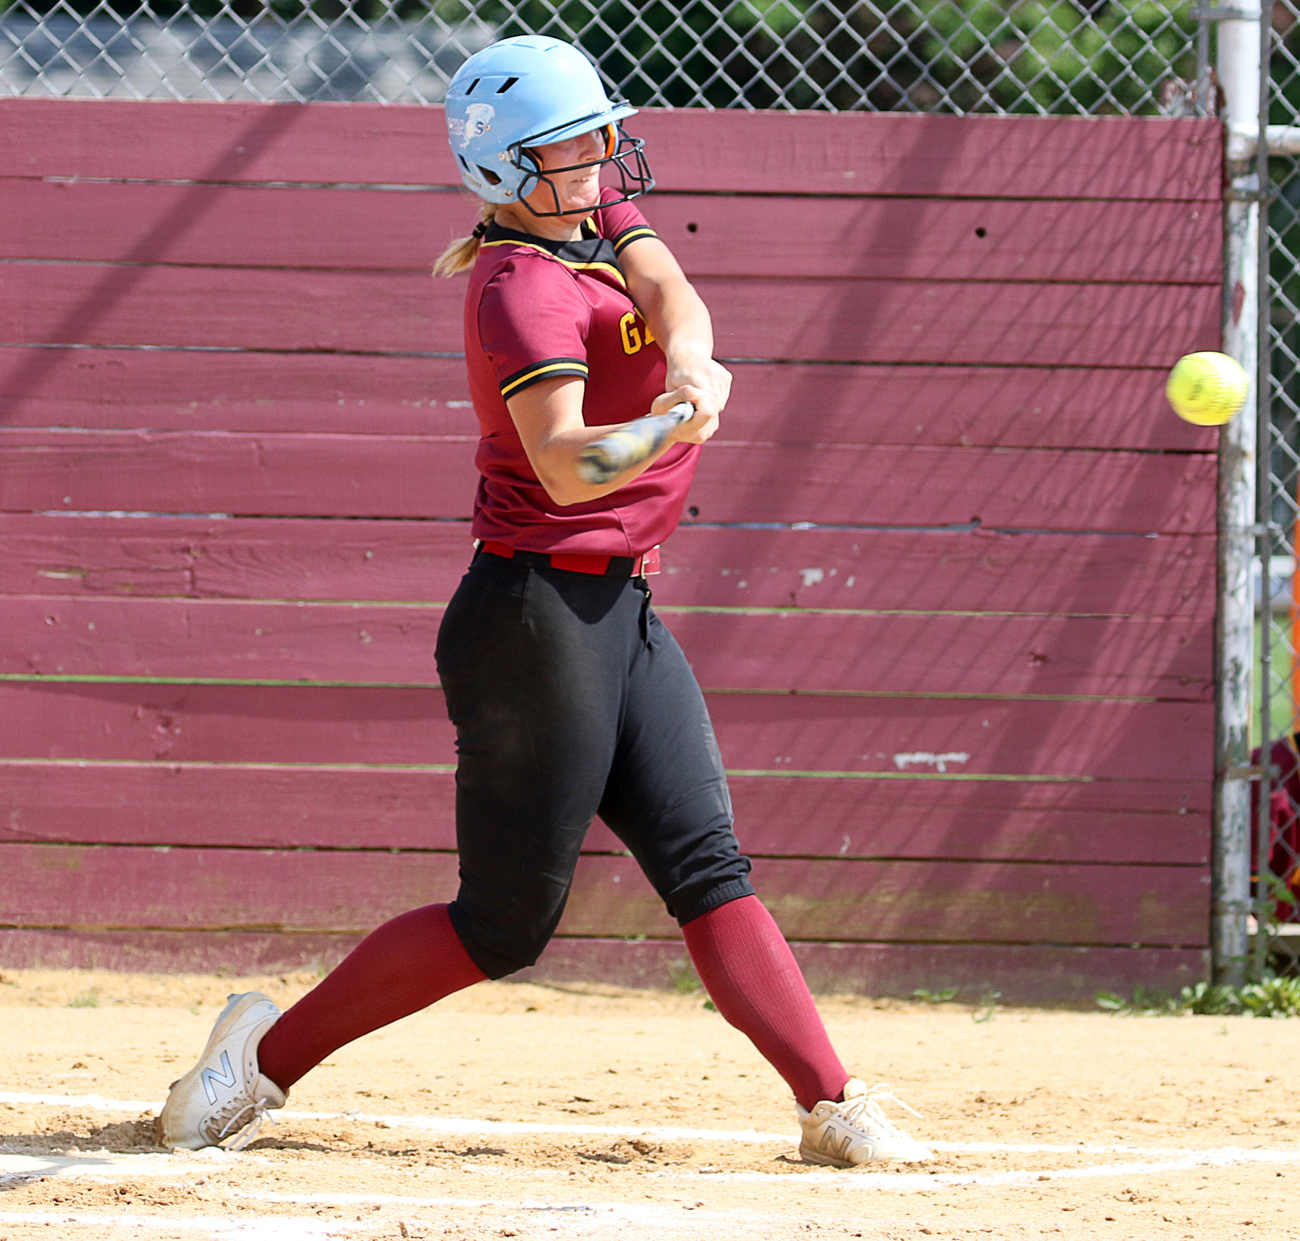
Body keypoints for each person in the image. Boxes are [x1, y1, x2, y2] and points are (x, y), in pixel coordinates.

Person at [155, 34, 931, 1168]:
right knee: (503, 925)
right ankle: (257, 1063)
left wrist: (691, 362)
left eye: (600, 134)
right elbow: (565, 464)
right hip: (532, 622)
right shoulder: (516, 289)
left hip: (621, 613)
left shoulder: (596, 218)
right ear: (501, 173)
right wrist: (677, 419)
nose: (602, 158)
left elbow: (673, 294)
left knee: (707, 863)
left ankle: (832, 1102)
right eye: (571, 148)